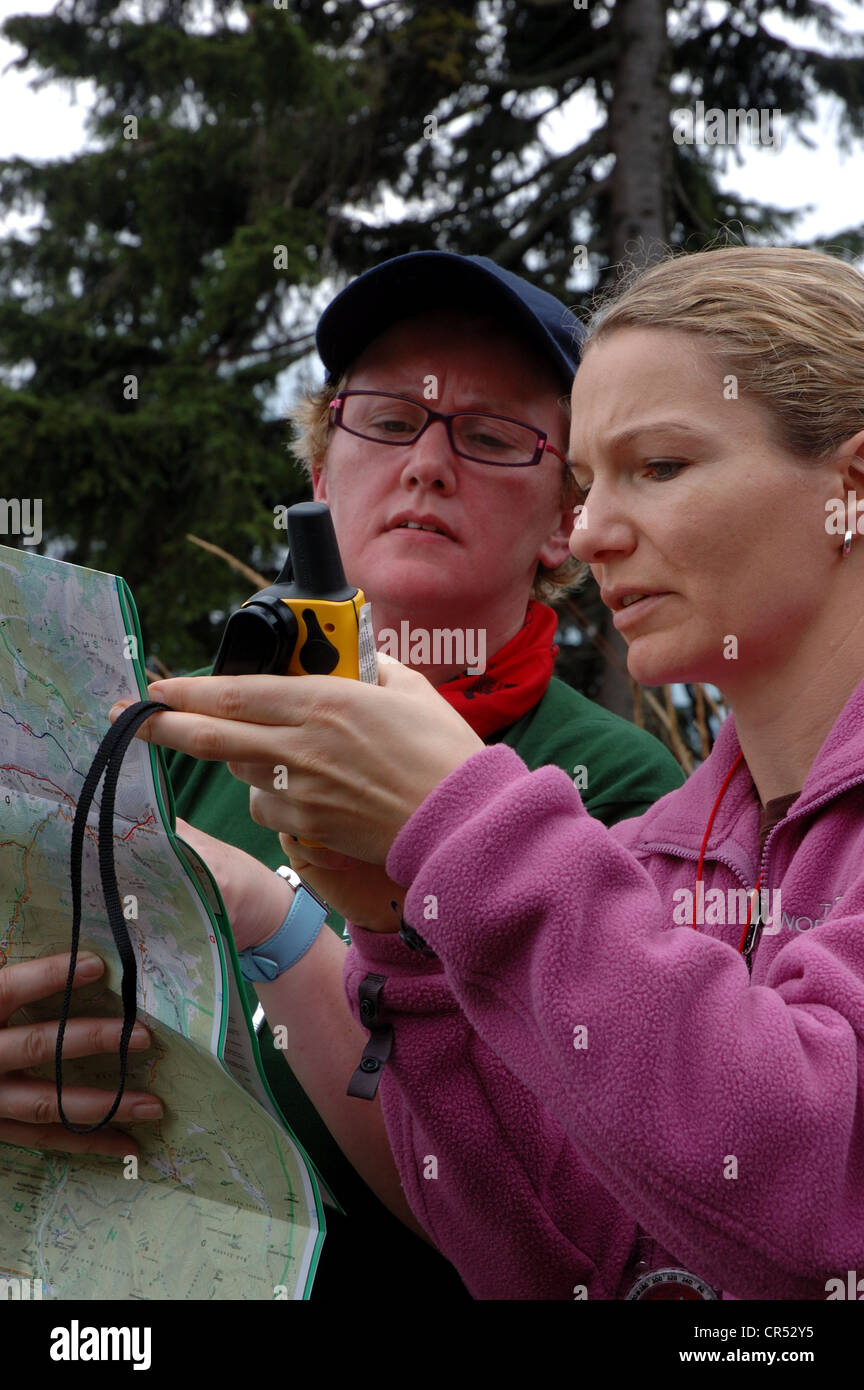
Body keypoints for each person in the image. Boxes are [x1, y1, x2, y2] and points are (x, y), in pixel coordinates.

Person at [127, 243, 864, 1301]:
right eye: (592, 480)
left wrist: (454, 832)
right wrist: (401, 933)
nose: (602, 531)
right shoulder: (666, 843)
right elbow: (571, 1262)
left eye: (659, 466)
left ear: (853, 486)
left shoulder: (598, 795)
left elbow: (821, 1195)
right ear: (318, 469)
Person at [0, 252, 684, 1298]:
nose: (428, 464)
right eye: (385, 419)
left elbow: (573, 1221)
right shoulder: (182, 731)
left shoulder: (621, 783)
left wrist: (274, 922)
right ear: (321, 476)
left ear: (565, 524)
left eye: (494, 435)